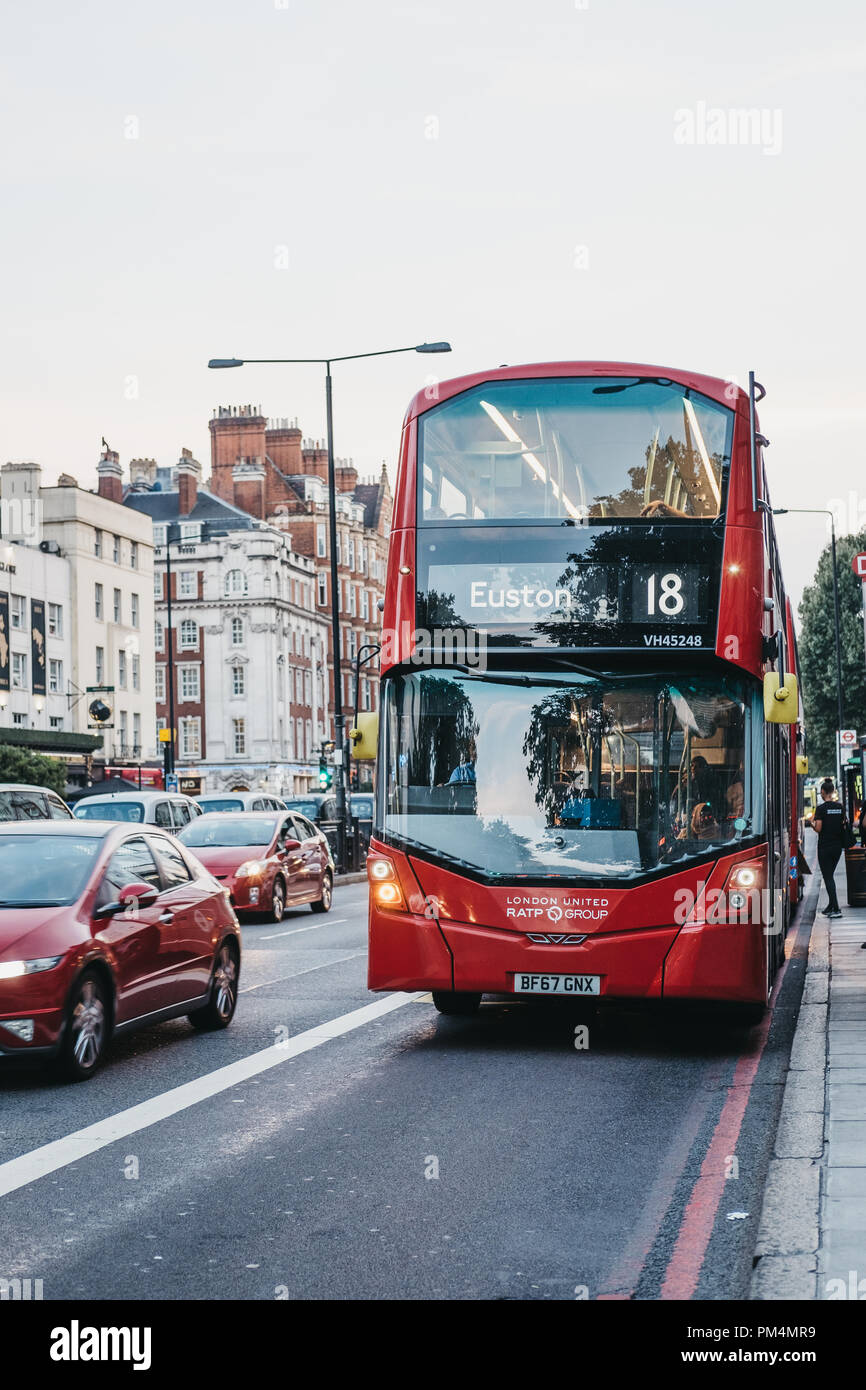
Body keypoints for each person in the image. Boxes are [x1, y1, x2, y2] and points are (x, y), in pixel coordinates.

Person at [809, 778, 847, 919]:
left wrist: (810, 823)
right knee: (829, 876)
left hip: (825, 847)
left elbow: (818, 828)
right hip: (837, 847)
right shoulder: (840, 807)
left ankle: (836, 908)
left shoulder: (821, 809)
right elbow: (843, 826)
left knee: (828, 877)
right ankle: (830, 906)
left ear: (824, 792)